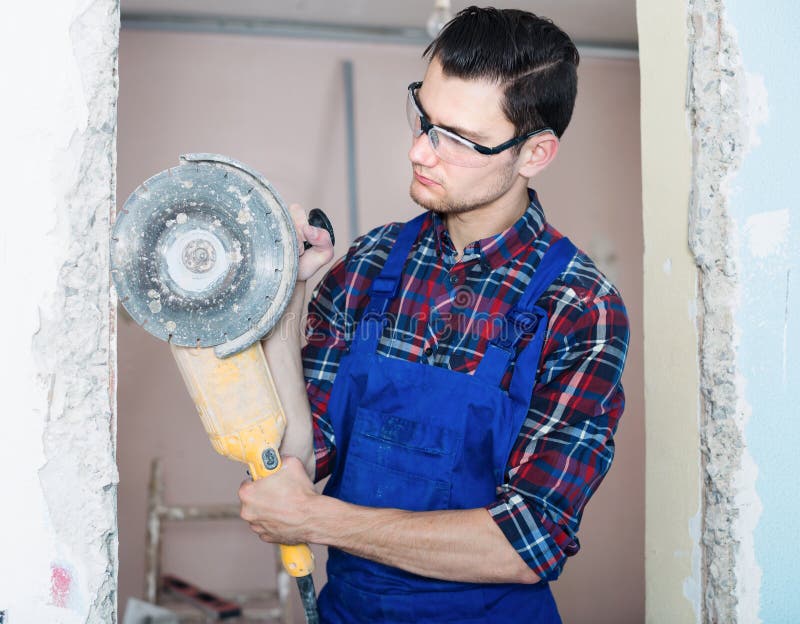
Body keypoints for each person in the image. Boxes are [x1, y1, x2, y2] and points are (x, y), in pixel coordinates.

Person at [239, 6, 630, 623]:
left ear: (534, 153)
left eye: (459, 138)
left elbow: (528, 541)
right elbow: (302, 460)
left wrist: (317, 520)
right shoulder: (370, 262)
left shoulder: (579, 308)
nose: (420, 150)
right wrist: (286, 297)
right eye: (424, 118)